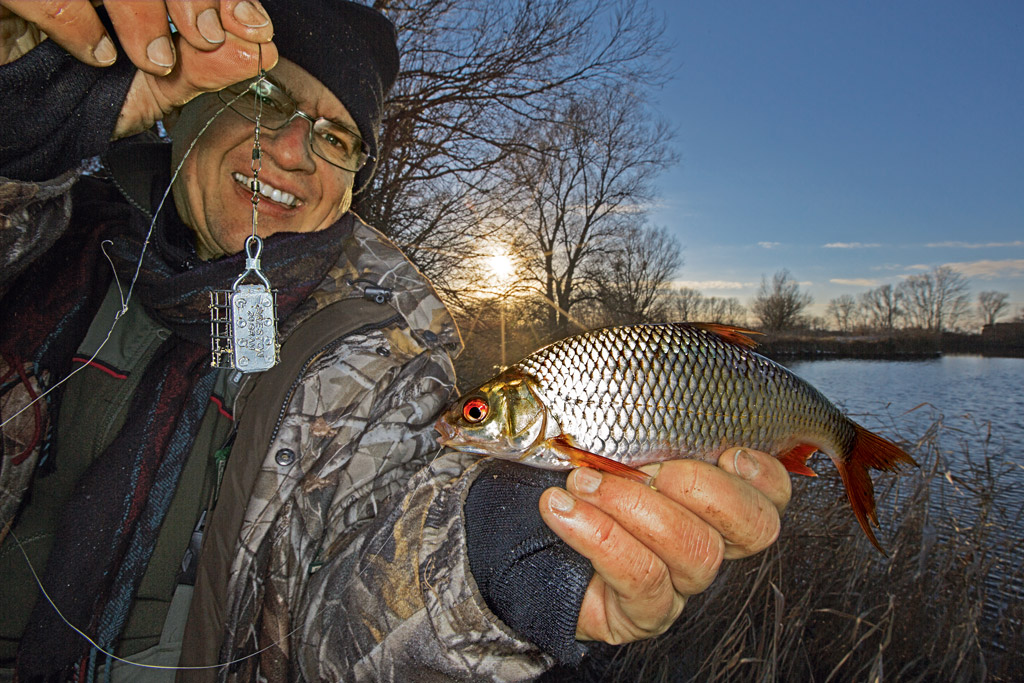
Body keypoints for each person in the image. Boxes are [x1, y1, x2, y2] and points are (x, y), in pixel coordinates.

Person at [0, 1, 792, 681]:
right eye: (267, 99)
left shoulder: (393, 347)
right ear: (185, 98)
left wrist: (495, 559)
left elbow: (349, 602)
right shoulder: (45, 218)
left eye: (337, 138)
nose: (293, 152)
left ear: (353, 178)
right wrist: (16, 125)